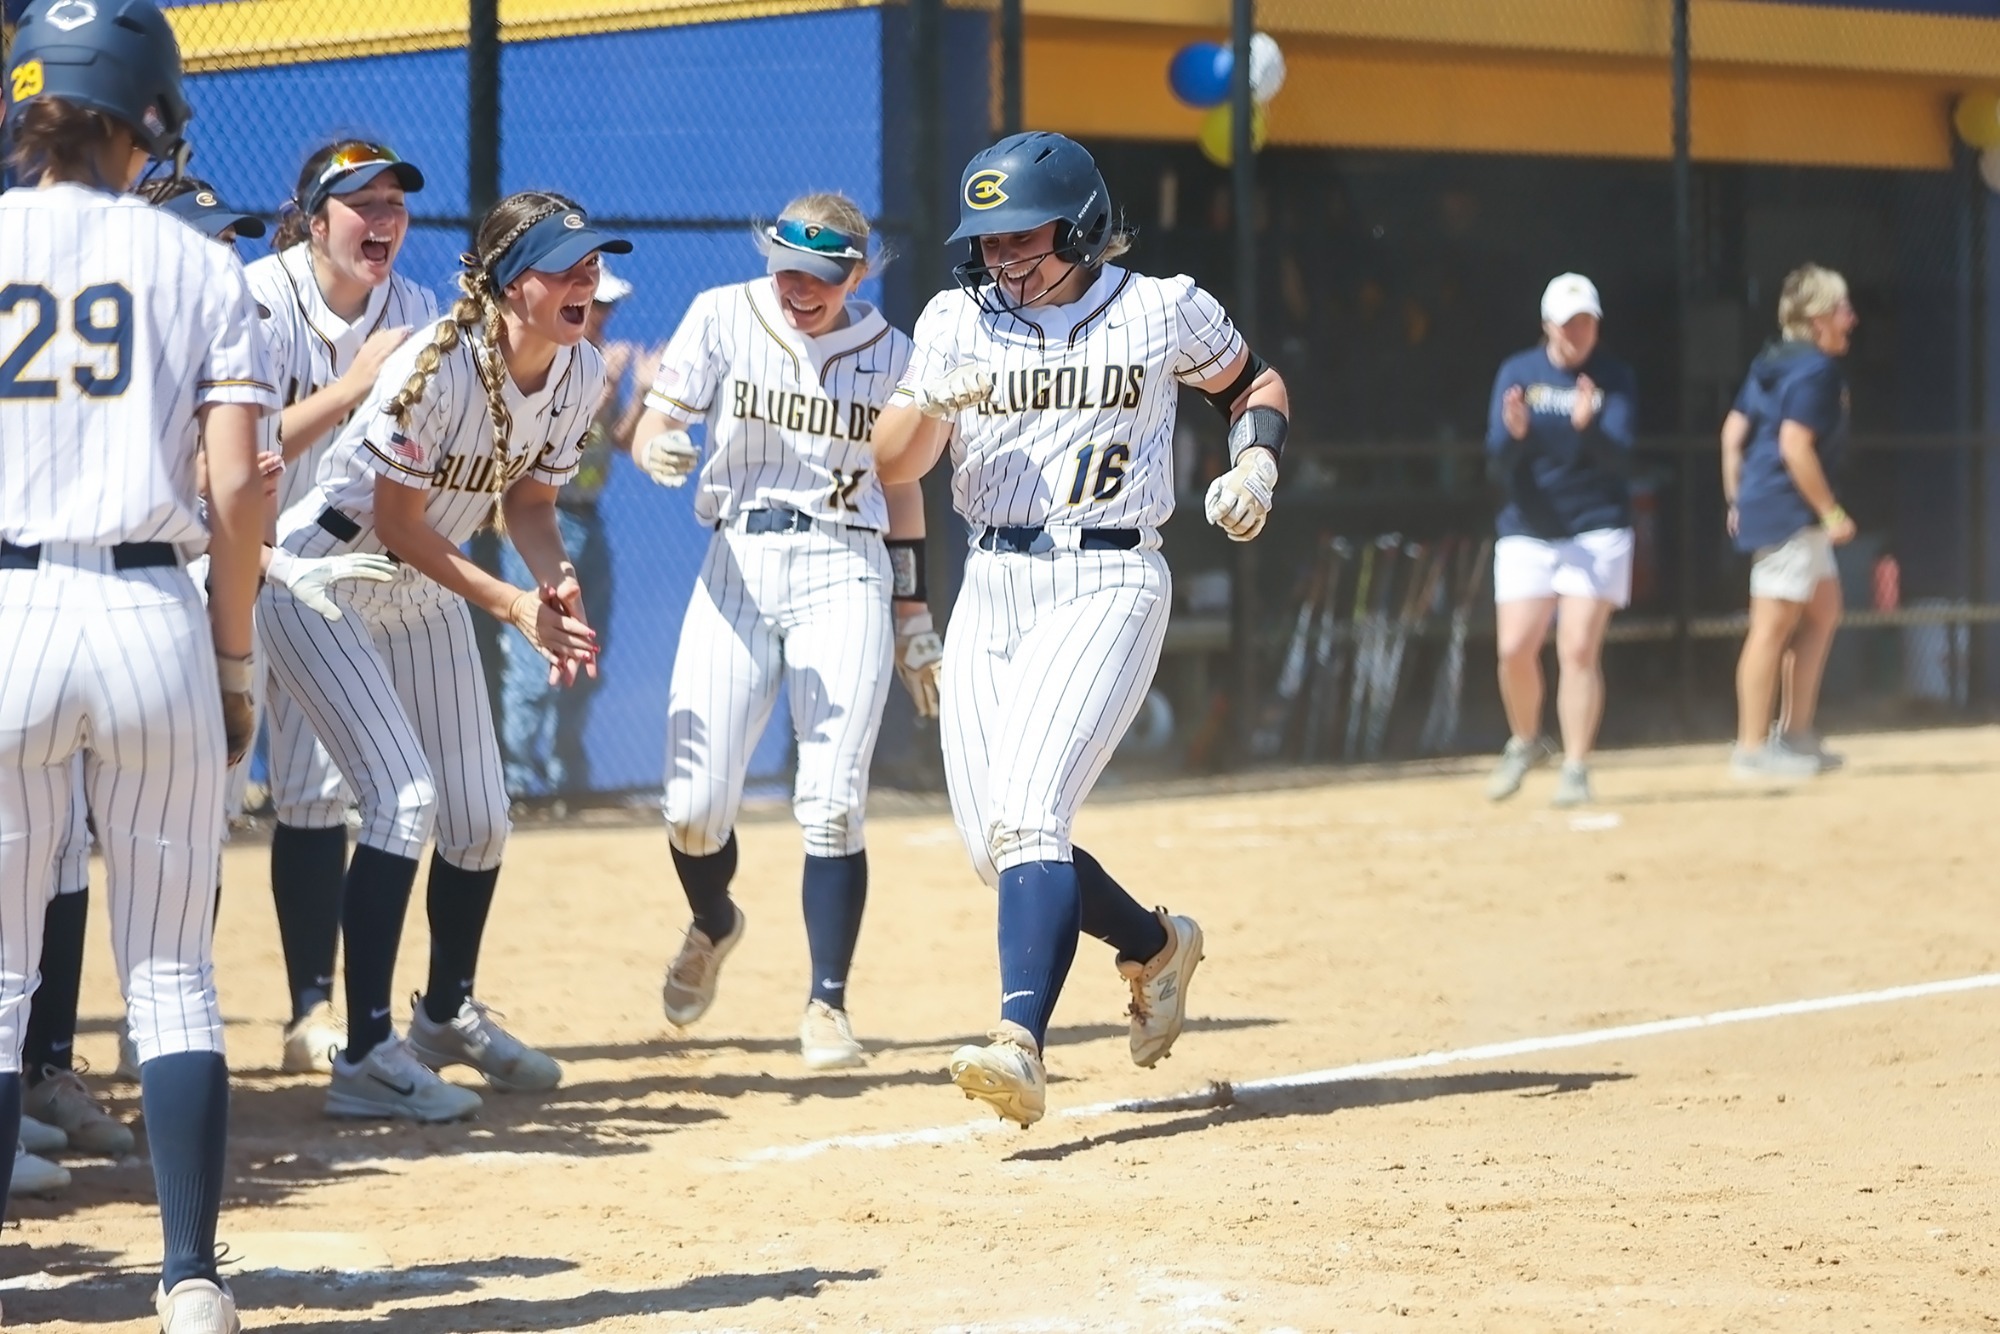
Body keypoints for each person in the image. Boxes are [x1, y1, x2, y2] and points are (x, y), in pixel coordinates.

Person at [869, 132, 1287, 1126]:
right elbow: (893, 462)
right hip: (993, 579)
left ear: (1082, 226)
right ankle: (1154, 945)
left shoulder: (1159, 307)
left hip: (1109, 574)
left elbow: (1252, 384)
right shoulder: (955, 318)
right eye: (990, 240)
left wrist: (1257, 462)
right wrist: (929, 403)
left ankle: (1019, 1041)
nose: (1003, 257)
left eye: (1025, 237)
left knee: (1028, 819)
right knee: (999, 848)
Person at [0, 2, 272, 1327]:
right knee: (169, 969)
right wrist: (234, 656)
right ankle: (191, 1276)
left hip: (8, 604)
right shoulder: (195, 263)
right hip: (152, 607)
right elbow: (237, 491)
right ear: (148, 114)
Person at [261, 190, 616, 1122]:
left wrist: (555, 584)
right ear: (508, 281)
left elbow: (532, 505)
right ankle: (365, 1055)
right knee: (403, 798)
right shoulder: (435, 362)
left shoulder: (580, 368)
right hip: (326, 577)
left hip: (426, 586)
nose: (586, 279)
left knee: (480, 820)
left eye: (592, 263)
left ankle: (444, 1015)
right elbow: (396, 522)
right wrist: (512, 605)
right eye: (564, 265)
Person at [630, 194, 940, 1071]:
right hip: (736, 556)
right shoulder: (722, 313)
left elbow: (902, 486)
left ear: (859, 273)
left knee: (832, 798)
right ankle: (713, 919)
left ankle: (827, 1004)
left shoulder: (892, 353)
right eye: (789, 270)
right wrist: (655, 443)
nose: (801, 289)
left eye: (823, 276)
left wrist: (914, 611)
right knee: (693, 811)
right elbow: (658, 418)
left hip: (846, 564)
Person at [246, 140, 436, 1074]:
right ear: (314, 221)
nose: (384, 218)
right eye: (363, 203)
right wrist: (354, 387)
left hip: (331, 576)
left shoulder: (417, 311)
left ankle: (309, 1011)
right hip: (230, 564)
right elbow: (232, 448)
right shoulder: (257, 298)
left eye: (395, 202)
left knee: (316, 791)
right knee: (194, 803)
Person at [1483, 273, 1637, 808]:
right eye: (1568, 324)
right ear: (1548, 325)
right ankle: (1526, 741)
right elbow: (1496, 459)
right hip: (1528, 527)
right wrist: (1514, 434)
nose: (1578, 333)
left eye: (1586, 323)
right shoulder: (1517, 373)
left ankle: (1575, 765)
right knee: (1513, 649)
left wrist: (1587, 427)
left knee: (1577, 648)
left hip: (1596, 527)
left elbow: (1622, 456)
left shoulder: (1614, 378)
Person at [497, 260, 641, 803]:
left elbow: (618, 439)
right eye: (596, 304)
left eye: (607, 306)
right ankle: (516, 783)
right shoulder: (551, 360)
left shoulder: (598, 363)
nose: (601, 314)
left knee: (587, 651)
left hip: (587, 517)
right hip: (543, 518)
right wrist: (606, 387)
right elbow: (558, 440)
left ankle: (566, 779)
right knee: (535, 659)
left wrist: (640, 393)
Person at [1722, 263, 1857, 780]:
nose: (1851, 318)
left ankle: (1795, 734)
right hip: (1790, 511)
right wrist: (1831, 512)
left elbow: (1732, 435)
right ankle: (1752, 750)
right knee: (1771, 626)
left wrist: (1737, 499)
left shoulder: (1770, 361)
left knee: (1823, 610)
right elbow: (1795, 447)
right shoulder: (1816, 370)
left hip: (1776, 506)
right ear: (1818, 319)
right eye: (1842, 309)